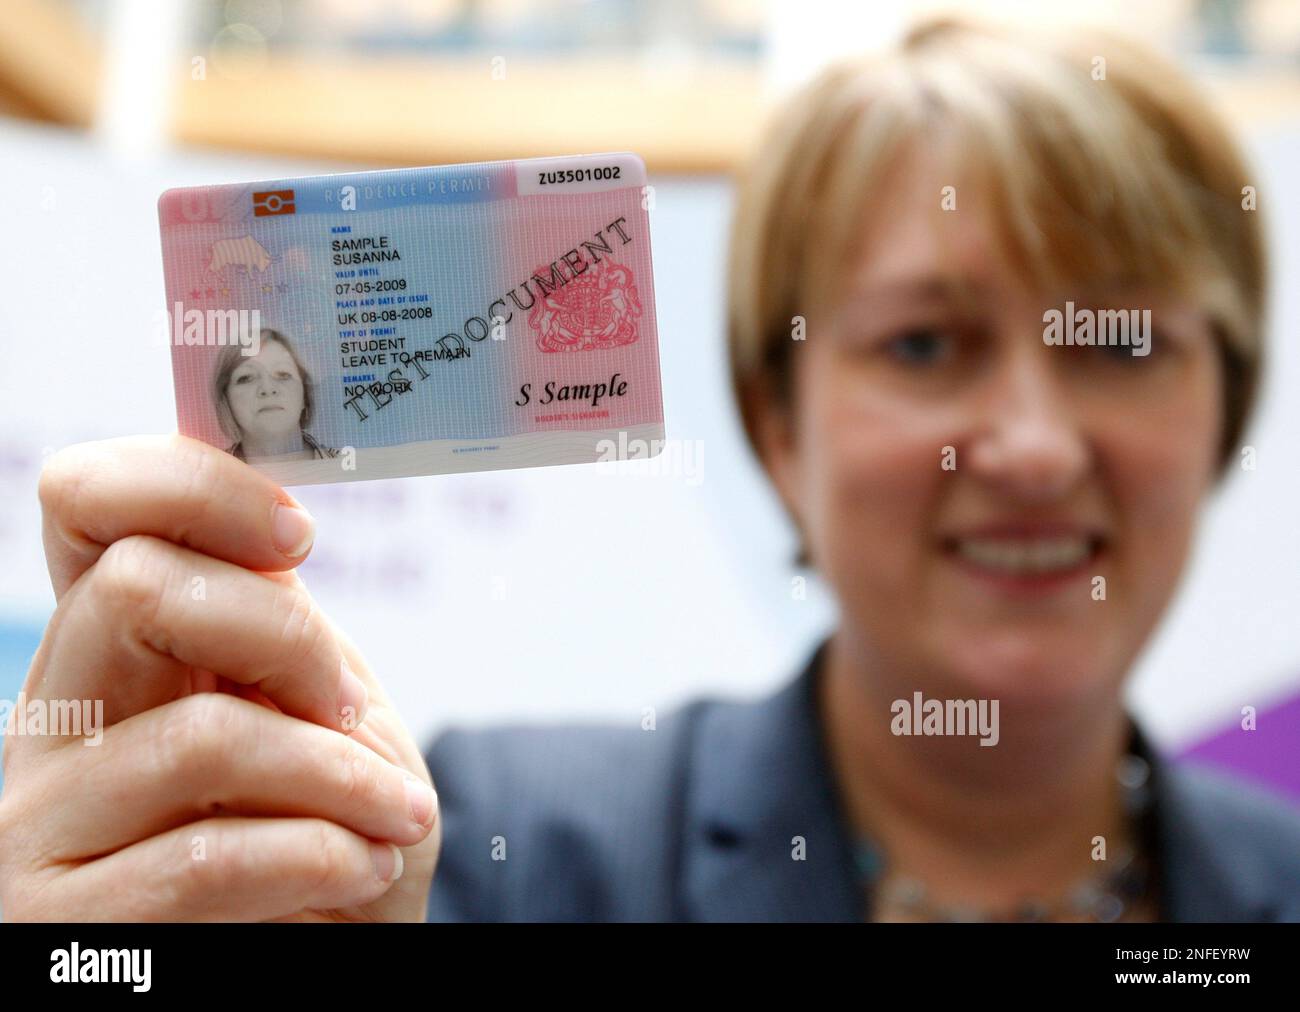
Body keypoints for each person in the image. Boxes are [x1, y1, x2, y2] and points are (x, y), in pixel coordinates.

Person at [2, 18, 1299, 922]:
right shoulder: (477, 859)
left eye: (1120, 343)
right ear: (778, 428)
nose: (1029, 443)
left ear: (1223, 410)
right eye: (925, 341)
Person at [213, 329, 339, 461]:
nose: (268, 388)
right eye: (246, 378)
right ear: (226, 399)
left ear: (304, 396)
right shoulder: (209, 475)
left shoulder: (351, 467)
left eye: (283, 375)